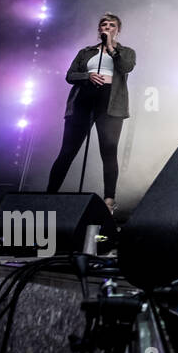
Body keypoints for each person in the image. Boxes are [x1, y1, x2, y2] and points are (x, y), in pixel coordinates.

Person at [46, 12, 136, 213]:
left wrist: (111, 47)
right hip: (84, 100)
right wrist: (87, 75)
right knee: (67, 151)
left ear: (118, 30)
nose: (107, 27)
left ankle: (109, 201)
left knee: (108, 151)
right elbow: (70, 75)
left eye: (112, 25)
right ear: (99, 29)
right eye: (104, 24)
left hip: (111, 103)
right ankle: (49, 196)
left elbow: (125, 67)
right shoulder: (86, 52)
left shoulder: (126, 52)